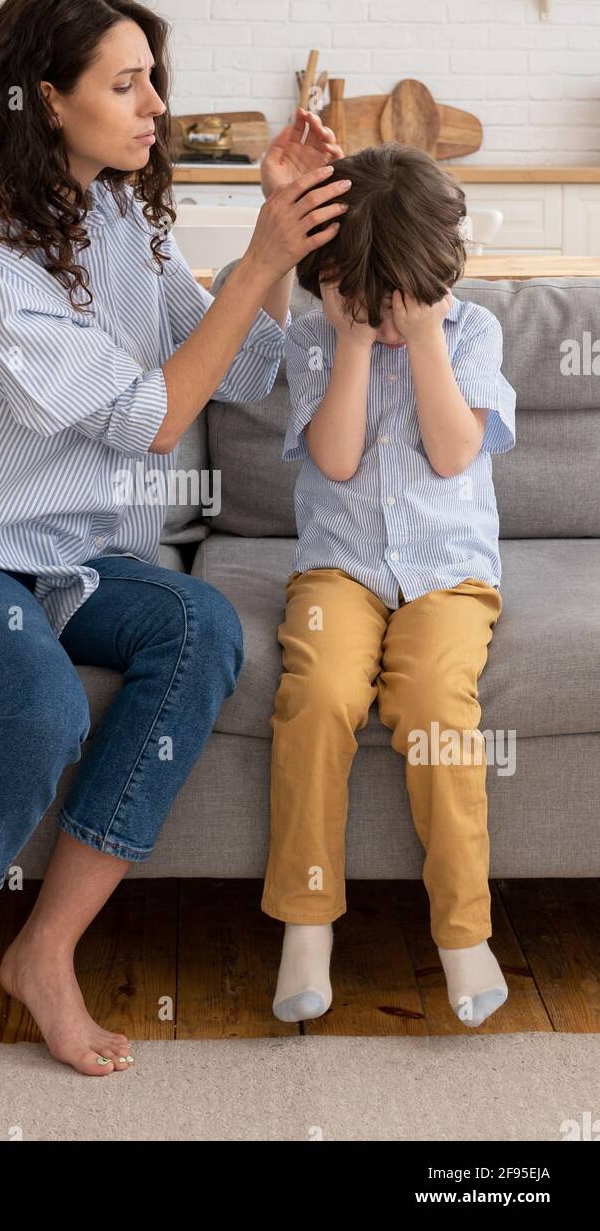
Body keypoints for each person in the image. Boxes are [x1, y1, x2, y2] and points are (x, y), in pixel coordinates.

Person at [0, 0, 351, 1078]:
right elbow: (152, 419)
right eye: (124, 84)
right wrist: (258, 258)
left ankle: (46, 952)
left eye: (152, 79)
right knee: (33, 703)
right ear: (44, 100)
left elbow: (247, 365)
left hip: (70, 560)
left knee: (201, 631)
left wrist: (271, 235)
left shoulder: (118, 219)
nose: (154, 104)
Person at [263, 142, 517, 1029]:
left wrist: (428, 338)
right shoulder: (313, 339)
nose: (385, 315)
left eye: (396, 298)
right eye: (362, 298)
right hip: (340, 572)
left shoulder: (474, 333)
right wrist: (351, 343)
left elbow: (453, 453)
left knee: (437, 709)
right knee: (320, 695)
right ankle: (306, 924)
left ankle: (462, 933)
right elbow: (334, 460)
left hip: (448, 578)